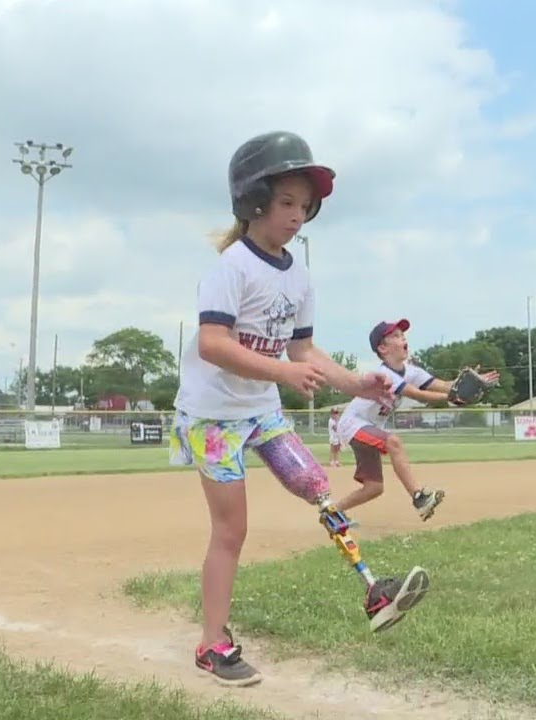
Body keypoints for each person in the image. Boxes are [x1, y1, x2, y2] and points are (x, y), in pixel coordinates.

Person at [169, 130, 431, 688]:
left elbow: (305, 351)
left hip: (262, 413)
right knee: (231, 530)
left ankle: (373, 590)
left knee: (319, 489)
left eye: (304, 206)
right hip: (212, 419)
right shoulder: (232, 268)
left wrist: (358, 384)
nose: (297, 216)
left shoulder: (299, 274)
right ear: (253, 200)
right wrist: (285, 374)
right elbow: (214, 344)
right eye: (286, 202)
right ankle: (212, 643)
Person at [334, 318, 499, 521]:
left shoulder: (412, 371)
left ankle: (333, 512)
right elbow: (418, 395)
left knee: (374, 488)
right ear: (382, 348)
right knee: (393, 442)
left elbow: (445, 386)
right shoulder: (384, 374)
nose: (402, 338)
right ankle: (419, 498)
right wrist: (454, 398)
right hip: (353, 424)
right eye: (395, 336)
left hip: (370, 426)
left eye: (402, 335)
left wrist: (472, 383)